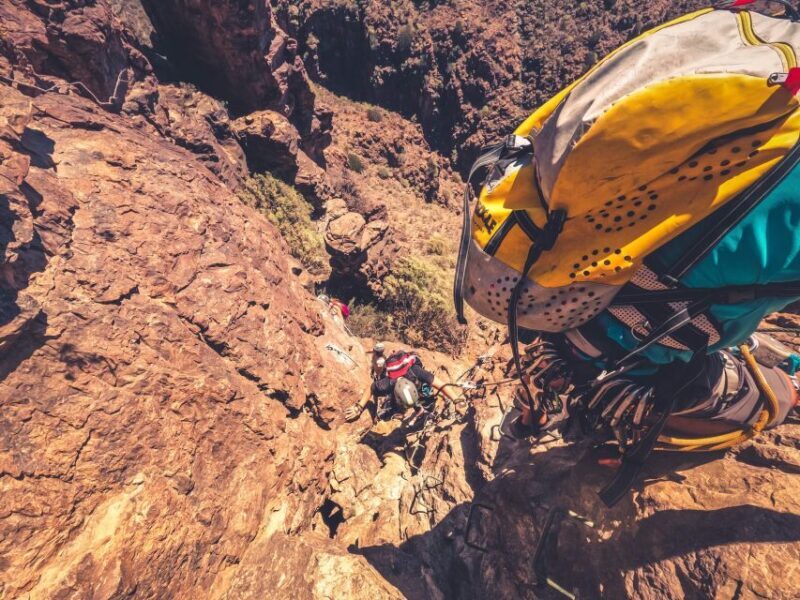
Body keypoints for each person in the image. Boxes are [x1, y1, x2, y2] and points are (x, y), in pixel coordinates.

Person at [344, 350, 458, 422]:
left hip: (415, 382)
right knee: (396, 406)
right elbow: (371, 388)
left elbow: (441, 385)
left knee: (427, 397)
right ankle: (398, 409)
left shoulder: (416, 372)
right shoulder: (388, 383)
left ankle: (424, 409)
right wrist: (358, 408)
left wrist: (456, 399)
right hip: (398, 386)